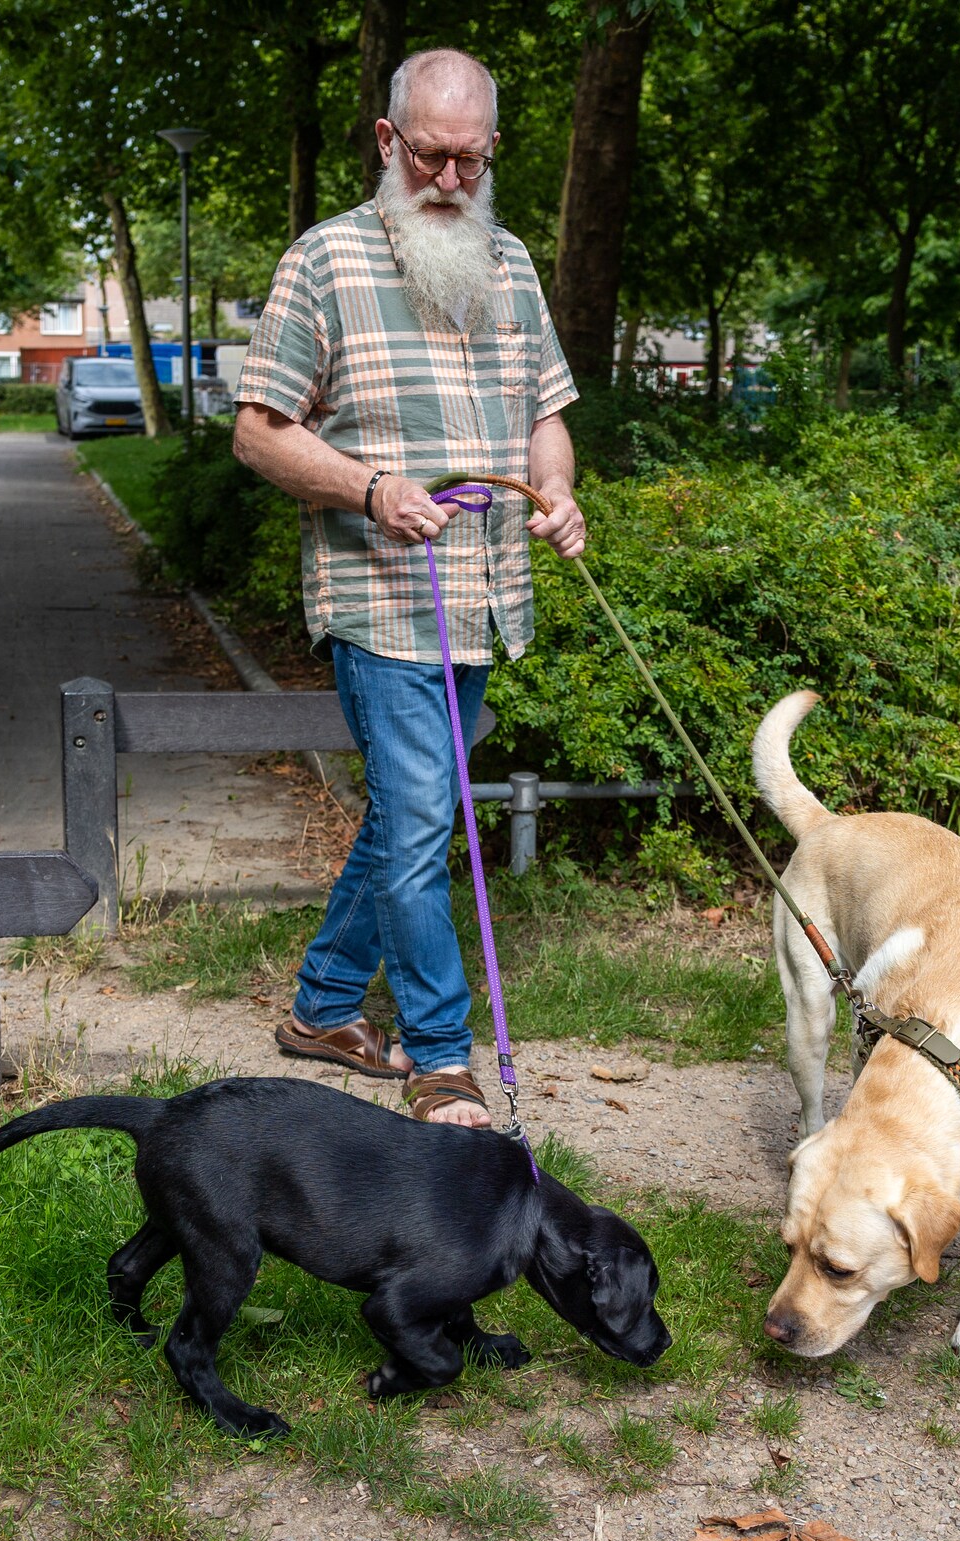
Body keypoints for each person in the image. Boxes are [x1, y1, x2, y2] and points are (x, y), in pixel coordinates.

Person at [232, 48, 589, 1129]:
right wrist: (368, 486)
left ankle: (323, 1007)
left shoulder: (511, 261)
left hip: (487, 595)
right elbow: (256, 432)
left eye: (467, 162)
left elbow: (546, 413)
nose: (447, 179)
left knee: (405, 817)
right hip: (379, 594)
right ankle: (441, 1057)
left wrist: (558, 492)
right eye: (428, 155)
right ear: (387, 142)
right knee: (425, 817)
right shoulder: (324, 261)